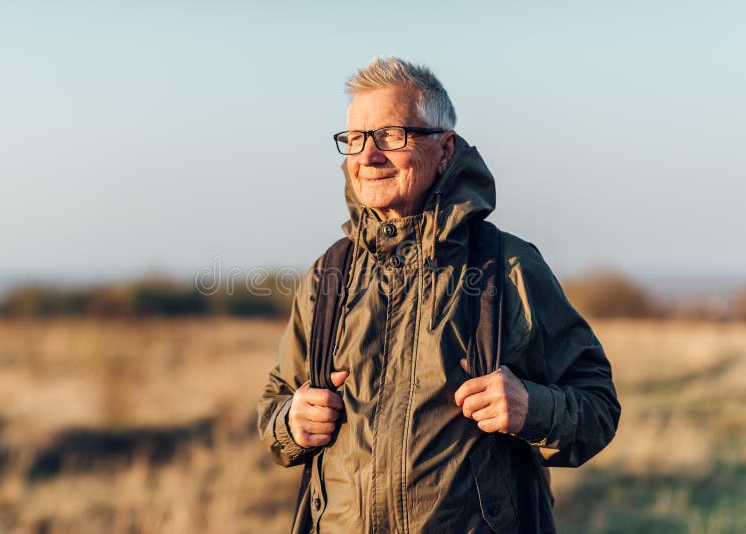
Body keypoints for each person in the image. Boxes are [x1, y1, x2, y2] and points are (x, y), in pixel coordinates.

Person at [257, 56, 620, 534]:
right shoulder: (329, 274)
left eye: (391, 135)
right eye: (355, 139)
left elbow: (597, 407)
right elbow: (277, 402)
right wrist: (291, 422)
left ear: (445, 149)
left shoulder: (507, 266)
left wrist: (531, 409)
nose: (368, 156)